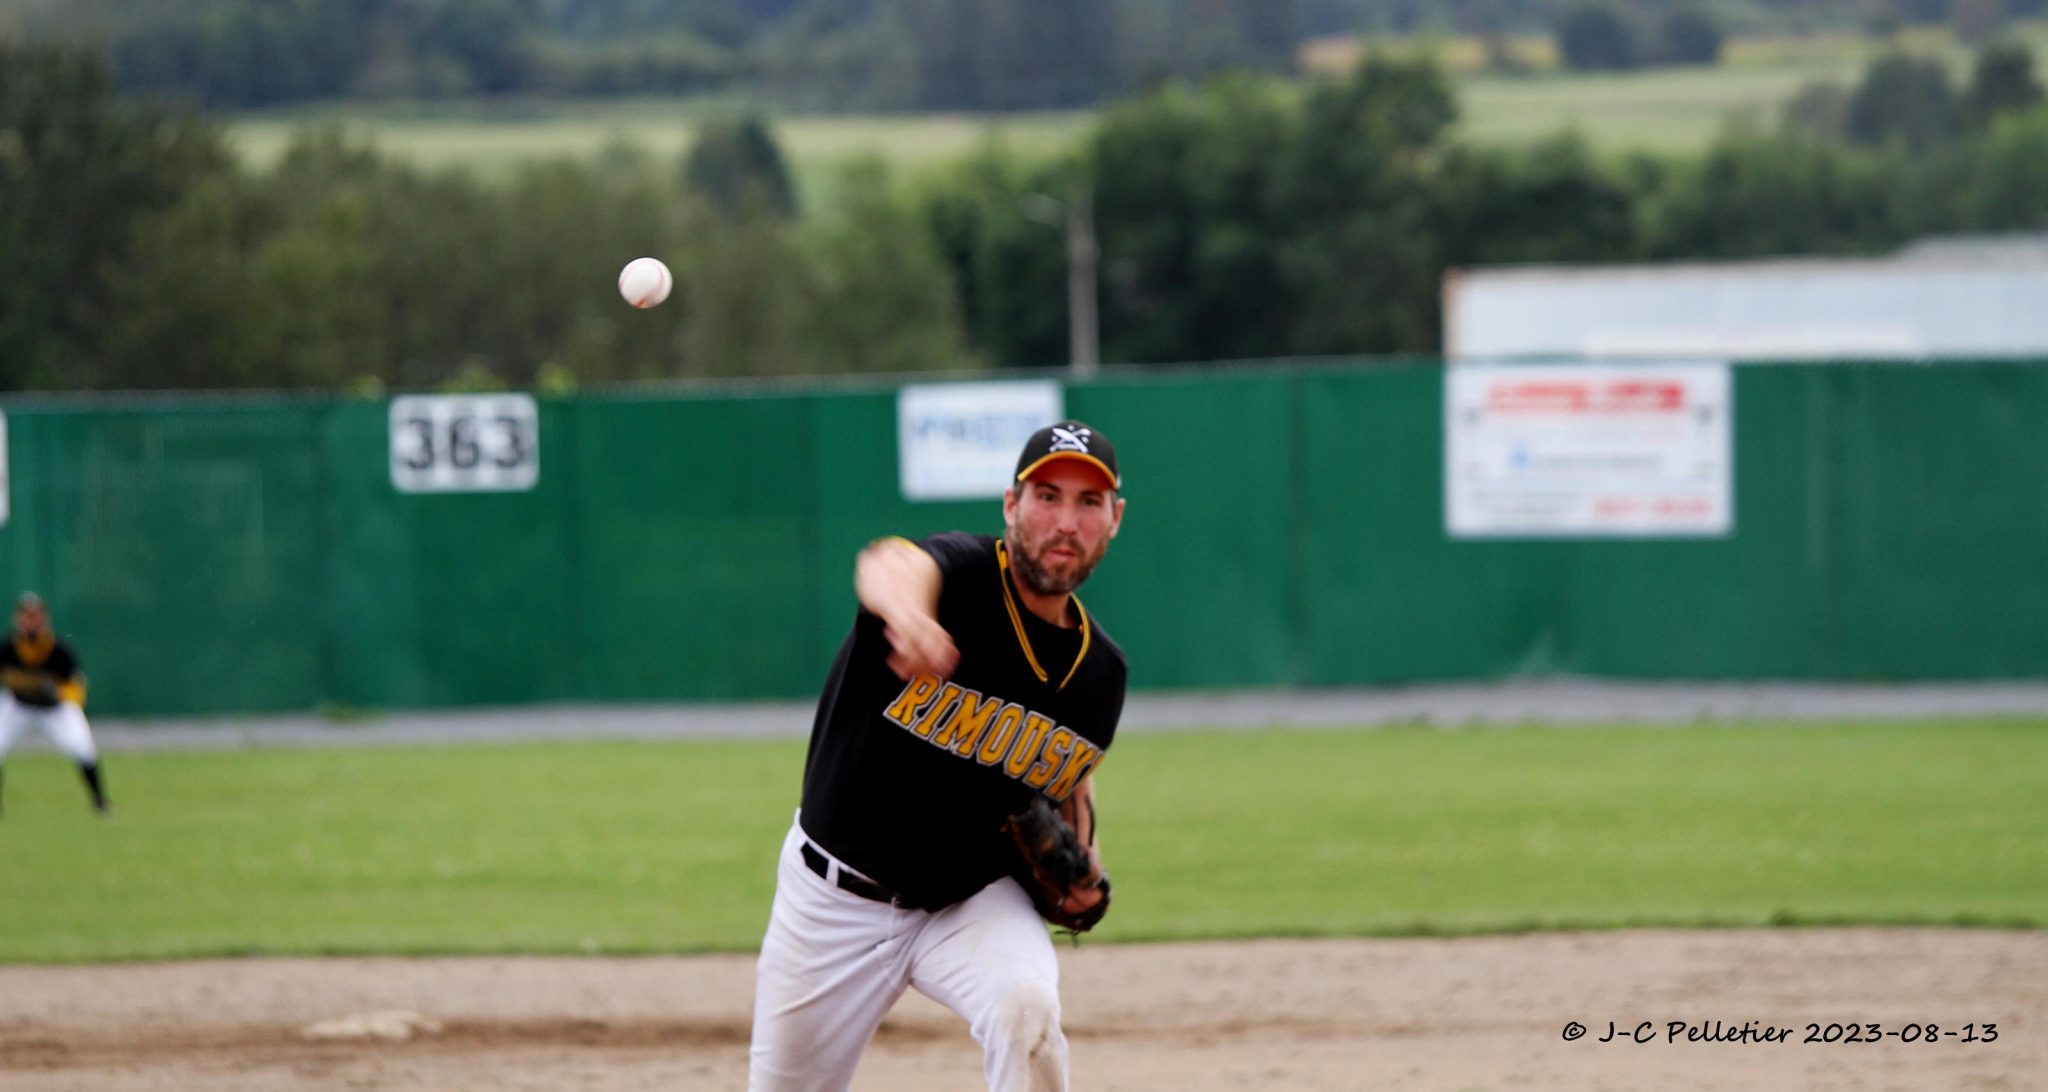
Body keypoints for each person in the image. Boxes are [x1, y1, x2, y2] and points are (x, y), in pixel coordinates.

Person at [749, 421, 1129, 1092]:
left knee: (1026, 1005)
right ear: (1011, 505)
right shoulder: (961, 574)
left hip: (968, 903)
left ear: (1114, 519)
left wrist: (1086, 865)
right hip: (834, 900)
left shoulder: (1101, 674)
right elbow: (887, 565)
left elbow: (1068, 779)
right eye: (1047, 497)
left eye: (1088, 502)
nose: (1066, 522)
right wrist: (911, 618)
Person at [0, 593, 110, 817]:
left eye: (35, 616)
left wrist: (59, 694)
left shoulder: (58, 650)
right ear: (17, 619)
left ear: (44, 618)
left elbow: (77, 687)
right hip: (19, 706)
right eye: (26, 616)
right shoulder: (8, 649)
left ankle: (100, 803)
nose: (30, 621)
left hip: (55, 710)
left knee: (82, 748)